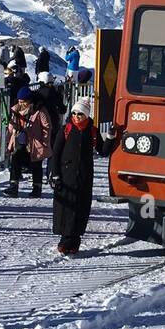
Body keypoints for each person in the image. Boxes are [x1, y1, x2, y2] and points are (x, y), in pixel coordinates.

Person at [50, 98, 117, 255]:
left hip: (84, 177)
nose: (76, 116)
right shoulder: (65, 129)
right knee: (65, 208)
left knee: (80, 209)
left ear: (86, 115)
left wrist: (111, 137)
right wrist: (55, 175)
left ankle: (74, 242)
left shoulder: (92, 131)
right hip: (66, 177)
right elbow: (55, 154)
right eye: (74, 113)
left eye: (79, 114)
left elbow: (104, 151)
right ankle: (65, 240)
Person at [3, 87, 51, 197]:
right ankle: (13, 186)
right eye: (19, 101)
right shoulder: (16, 109)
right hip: (19, 139)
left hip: (35, 141)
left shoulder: (39, 110)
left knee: (36, 164)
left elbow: (47, 127)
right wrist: (11, 132)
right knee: (15, 160)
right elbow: (11, 125)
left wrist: (44, 141)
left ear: (29, 100)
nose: (21, 104)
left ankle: (37, 188)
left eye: (23, 101)